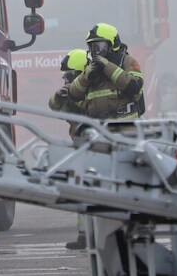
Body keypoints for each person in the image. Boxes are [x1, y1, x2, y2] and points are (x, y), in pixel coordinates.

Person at [62, 23, 146, 249]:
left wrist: (108, 67)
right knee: (91, 182)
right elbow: (74, 94)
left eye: (99, 46)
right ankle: (87, 235)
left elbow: (135, 87)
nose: (95, 52)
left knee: (127, 183)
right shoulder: (91, 68)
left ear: (112, 44)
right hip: (98, 134)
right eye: (92, 48)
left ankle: (131, 232)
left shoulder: (127, 62)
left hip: (125, 131)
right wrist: (88, 75)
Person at [51, 48, 92, 250]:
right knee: (81, 192)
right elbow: (56, 108)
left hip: (94, 148)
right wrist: (61, 96)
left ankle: (100, 234)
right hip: (81, 146)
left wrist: (75, 97)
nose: (66, 79)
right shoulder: (73, 92)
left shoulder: (93, 91)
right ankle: (84, 235)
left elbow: (93, 110)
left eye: (70, 75)